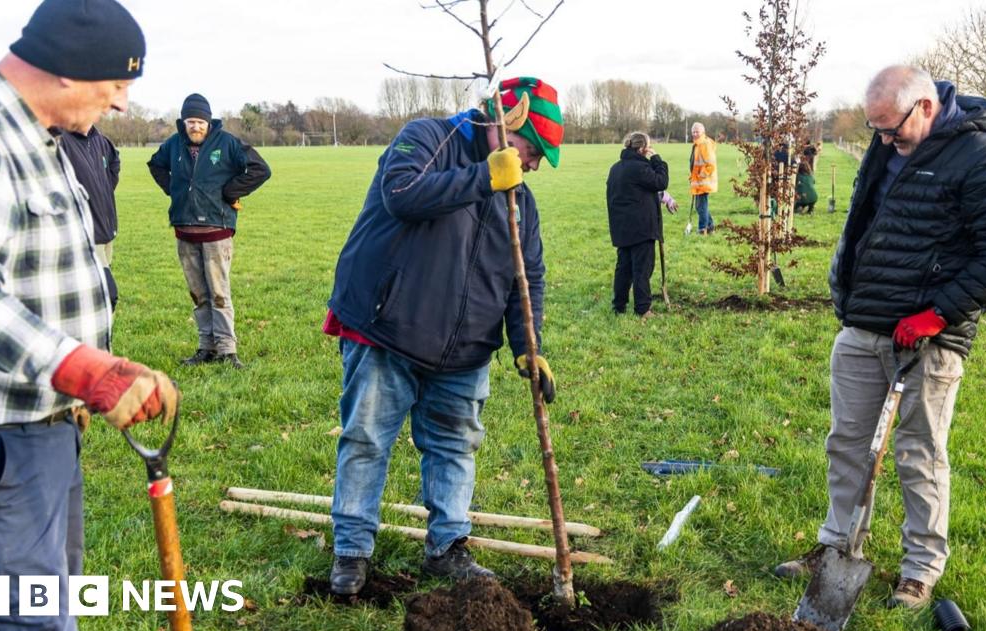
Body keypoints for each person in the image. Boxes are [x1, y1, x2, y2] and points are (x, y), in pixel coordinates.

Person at [0, 1, 179, 631]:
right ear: (69, 69)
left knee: (41, 626)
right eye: (117, 84)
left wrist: (98, 367)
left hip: (39, 428)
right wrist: (87, 370)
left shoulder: (37, 134)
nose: (122, 102)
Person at [774, 65, 986, 610]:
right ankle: (836, 545)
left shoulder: (984, 158)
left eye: (892, 129)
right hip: (863, 324)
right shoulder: (887, 143)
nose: (885, 140)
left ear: (926, 107)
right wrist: (845, 289)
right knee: (847, 444)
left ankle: (919, 570)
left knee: (920, 453)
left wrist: (938, 315)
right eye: (877, 130)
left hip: (927, 339)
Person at [322, 77, 563, 595]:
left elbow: (527, 278)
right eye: (532, 151)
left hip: (465, 349)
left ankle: (448, 547)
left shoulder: (520, 202)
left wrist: (529, 347)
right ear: (508, 126)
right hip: (387, 329)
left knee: (454, 446)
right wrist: (484, 177)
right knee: (366, 440)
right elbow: (402, 195)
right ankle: (352, 551)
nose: (534, 165)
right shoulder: (428, 138)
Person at [147, 93, 271, 369]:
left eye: (200, 122)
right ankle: (206, 347)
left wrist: (231, 191)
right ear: (184, 122)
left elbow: (260, 169)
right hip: (185, 231)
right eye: (191, 121)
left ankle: (227, 350)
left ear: (208, 122)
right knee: (198, 294)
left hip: (217, 229)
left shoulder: (227, 143)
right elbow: (155, 165)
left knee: (219, 293)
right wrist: (174, 190)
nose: (196, 126)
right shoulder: (173, 144)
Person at [606, 131, 668, 317]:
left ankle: (619, 306)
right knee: (642, 269)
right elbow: (661, 182)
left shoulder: (615, 168)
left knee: (623, 268)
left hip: (621, 226)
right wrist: (656, 159)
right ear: (642, 148)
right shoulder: (640, 168)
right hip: (641, 228)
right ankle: (643, 308)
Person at [60, 124, 120, 308]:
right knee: (106, 294)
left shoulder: (101, 140)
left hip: (107, 229)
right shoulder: (61, 141)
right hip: (85, 232)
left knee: (98, 296)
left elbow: (114, 161)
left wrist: (105, 190)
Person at [688, 121, 717, 234]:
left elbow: (711, 165)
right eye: (693, 132)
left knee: (701, 206)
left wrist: (701, 176)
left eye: (697, 132)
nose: (695, 134)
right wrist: (692, 176)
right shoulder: (697, 144)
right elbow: (695, 164)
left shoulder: (704, 144)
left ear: (703, 132)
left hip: (704, 182)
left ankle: (702, 229)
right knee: (700, 206)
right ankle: (710, 226)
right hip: (698, 181)